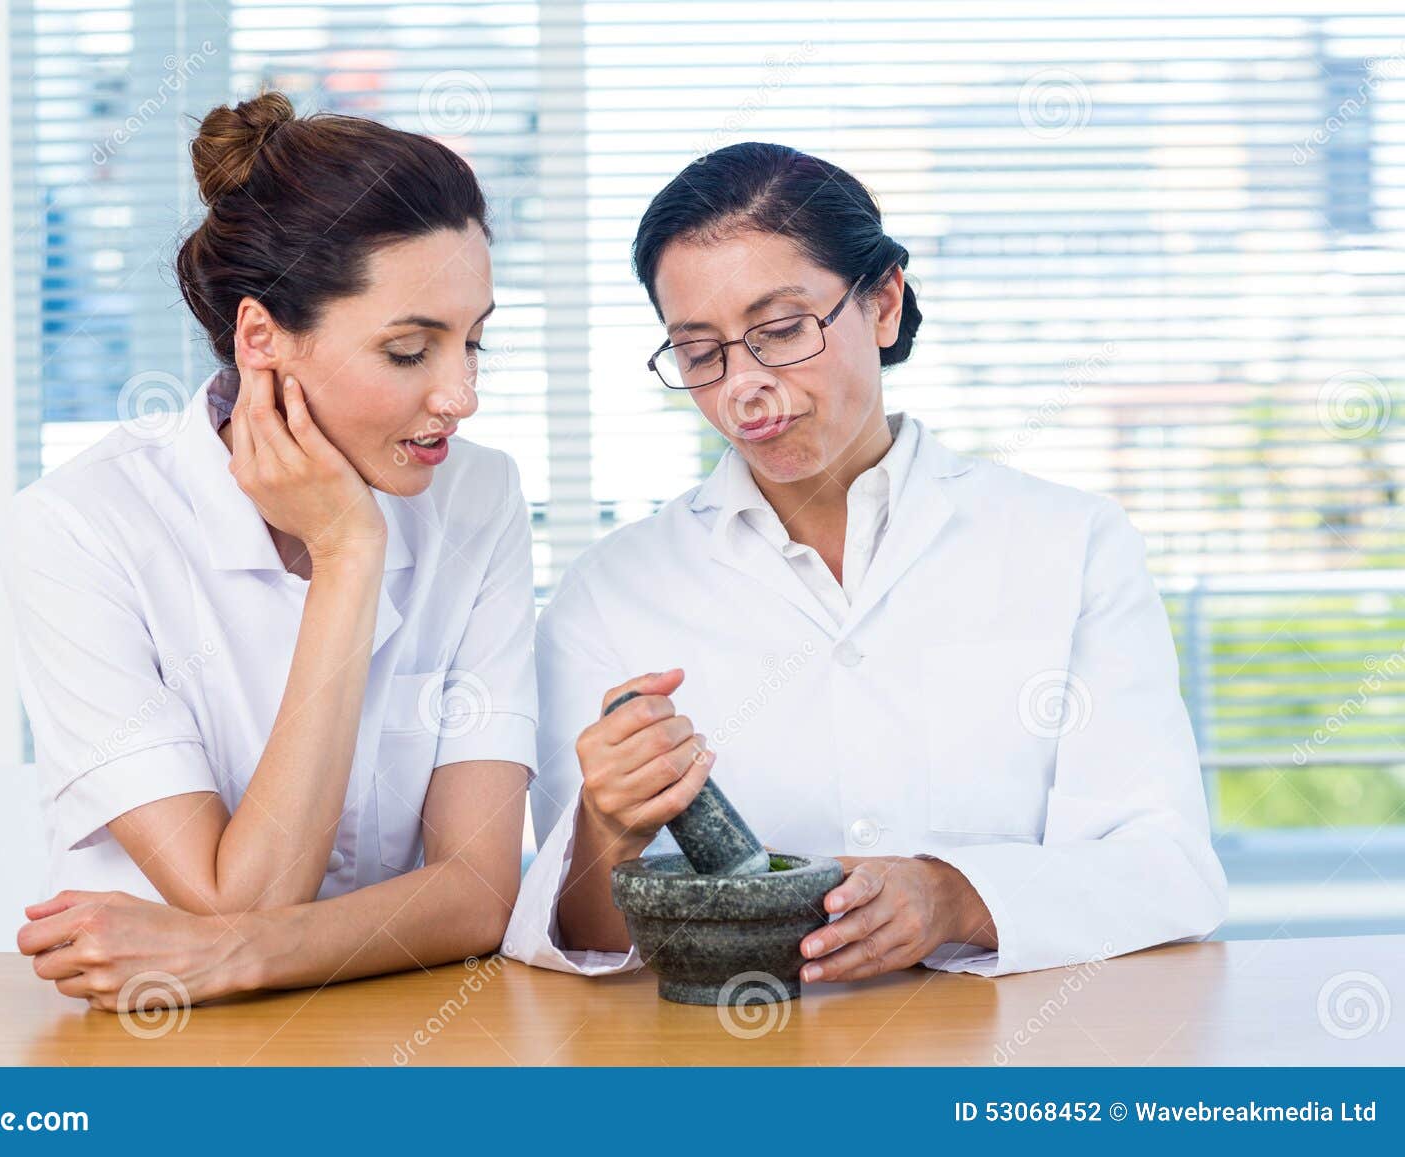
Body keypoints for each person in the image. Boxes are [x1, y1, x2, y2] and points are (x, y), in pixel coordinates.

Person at [503, 142, 1227, 983]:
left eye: (778, 331)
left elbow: (1168, 868)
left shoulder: (1071, 545)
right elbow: (584, 939)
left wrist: (954, 896)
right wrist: (608, 829)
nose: (743, 385)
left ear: (883, 304)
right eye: (701, 352)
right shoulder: (610, 594)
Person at [4, 93, 536, 1009]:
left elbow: (482, 891)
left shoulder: (478, 497)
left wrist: (235, 953)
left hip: (404, 1035)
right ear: (262, 338)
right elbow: (242, 890)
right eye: (411, 351)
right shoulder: (81, 527)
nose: (462, 396)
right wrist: (349, 553)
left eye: (474, 341)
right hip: (160, 1054)